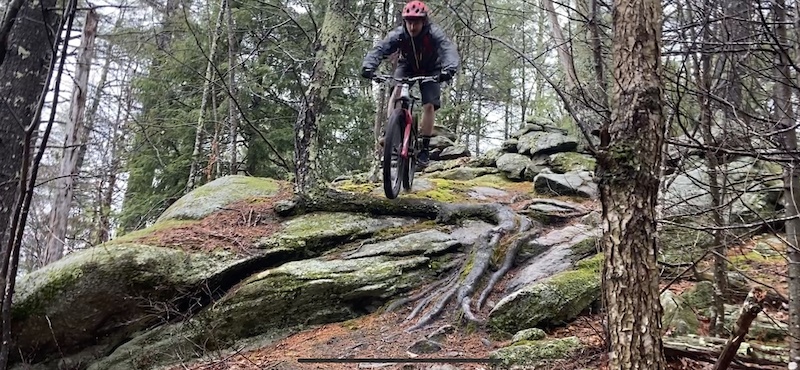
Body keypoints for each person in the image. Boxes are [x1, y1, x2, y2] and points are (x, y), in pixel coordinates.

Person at [360, 0, 460, 167]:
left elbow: (447, 49)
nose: (412, 27)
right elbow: (380, 49)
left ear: (424, 21)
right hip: (407, 66)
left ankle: (424, 149)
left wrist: (448, 70)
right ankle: (391, 131)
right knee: (396, 93)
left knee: (429, 105)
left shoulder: (434, 33)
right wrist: (368, 67)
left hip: (431, 68)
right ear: (405, 21)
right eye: (409, 22)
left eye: (416, 23)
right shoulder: (399, 34)